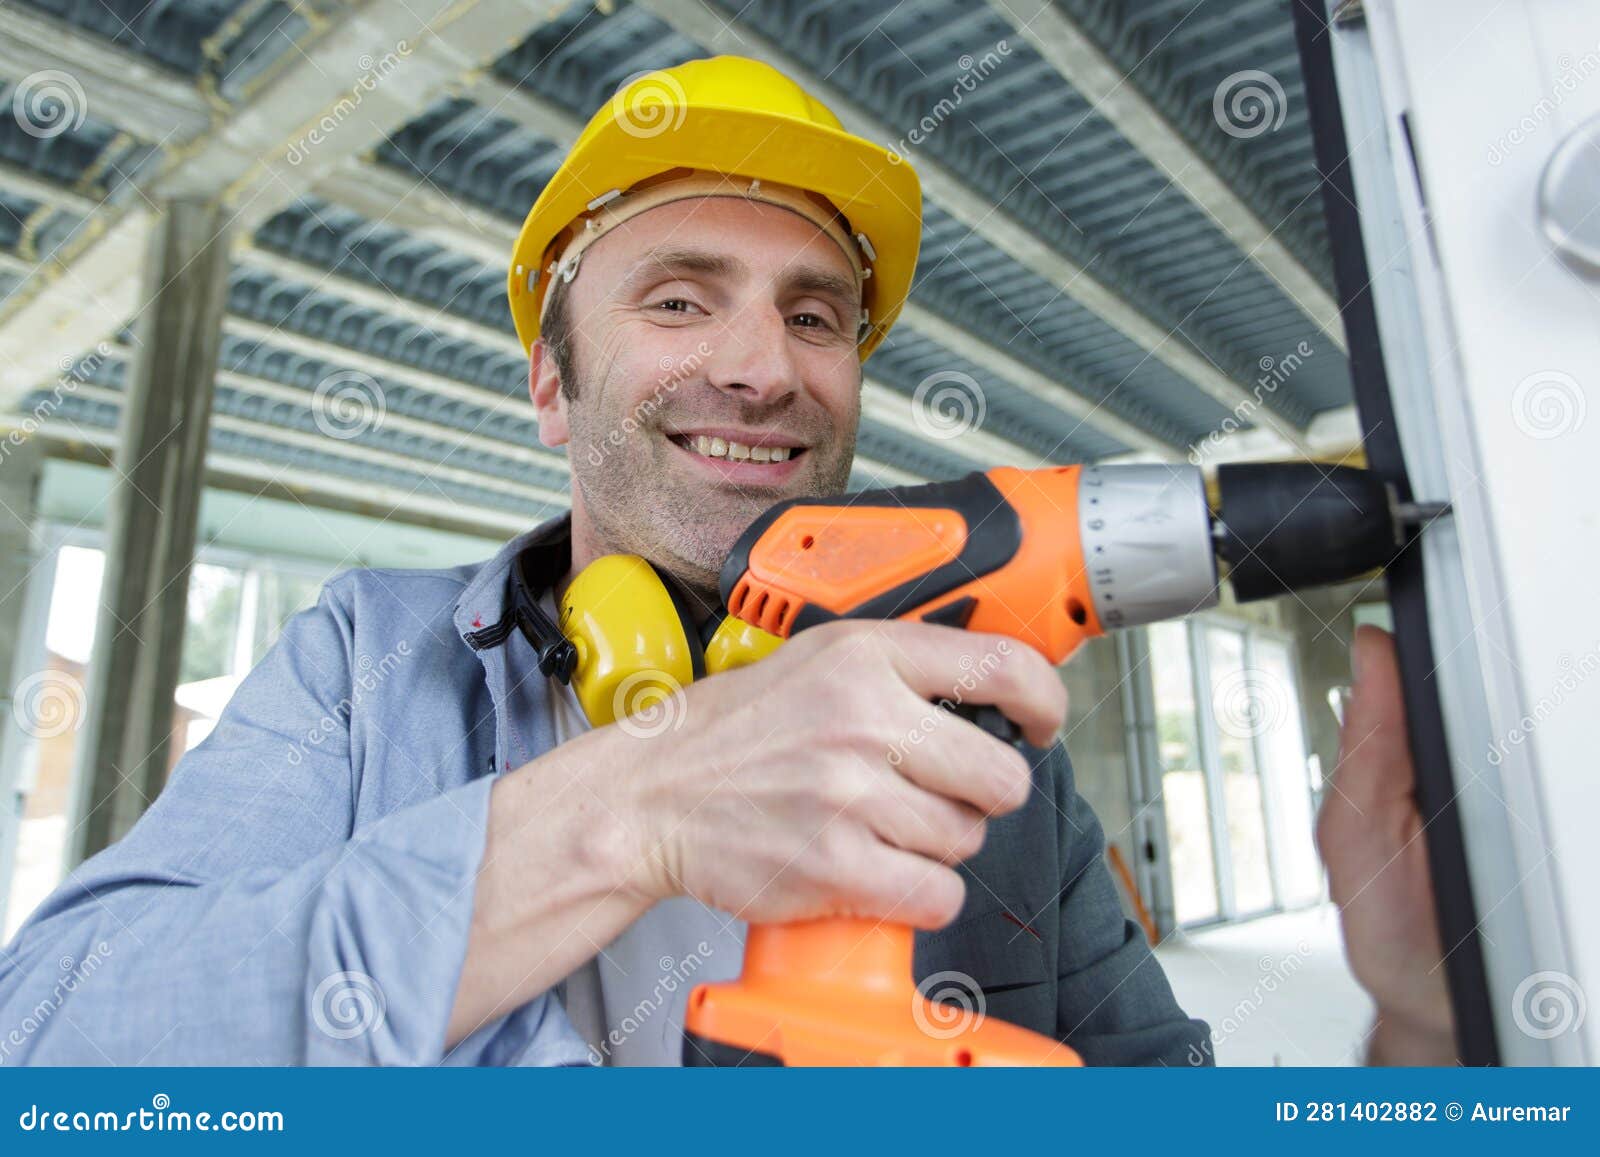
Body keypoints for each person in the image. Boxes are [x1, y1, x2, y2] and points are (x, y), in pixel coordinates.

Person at [0, 56, 1453, 1068]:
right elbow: (53, 1046)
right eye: (681, 300)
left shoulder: (986, 752)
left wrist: (1421, 1025)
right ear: (553, 386)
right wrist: (635, 806)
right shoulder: (369, 666)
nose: (763, 369)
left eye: (816, 317)